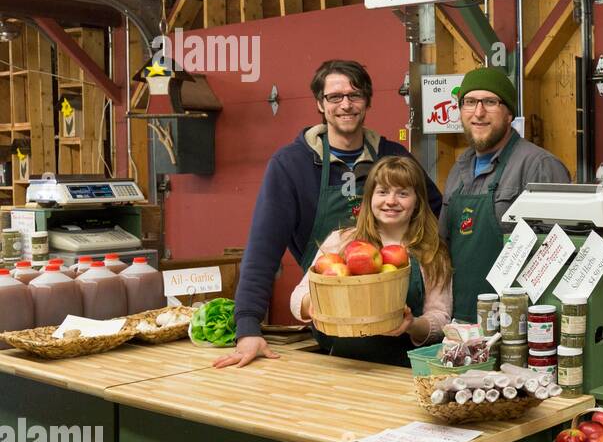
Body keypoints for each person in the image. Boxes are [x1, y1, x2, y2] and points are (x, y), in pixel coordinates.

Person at [215, 59, 442, 368]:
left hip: (403, 343)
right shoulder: (291, 165)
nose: (345, 104)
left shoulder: (394, 157)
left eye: (355, 95)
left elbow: (436, 216)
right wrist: (248, 328)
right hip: (335, 338)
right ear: (320, 104)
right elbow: (262, 252)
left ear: (367, 101)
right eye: (335, 97)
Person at [290, 156, 451, 365]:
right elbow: (297, 297)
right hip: (342, 366)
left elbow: (441, 320)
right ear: (369, 198)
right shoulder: (341, 241)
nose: (391, 201)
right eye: (382, 192)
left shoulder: (431, 253)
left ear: (418, 200)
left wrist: (411, 325)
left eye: (402, 193)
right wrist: (313, 303)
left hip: (403, 371)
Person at [440, 66, 570, 321]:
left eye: (490, 102)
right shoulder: (458, 169)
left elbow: (558, 254)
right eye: (470, 102)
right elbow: (443, 245)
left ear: (509, 113)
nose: (478, 112)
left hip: (517, 326)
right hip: (461, 320)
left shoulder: (539, 165)